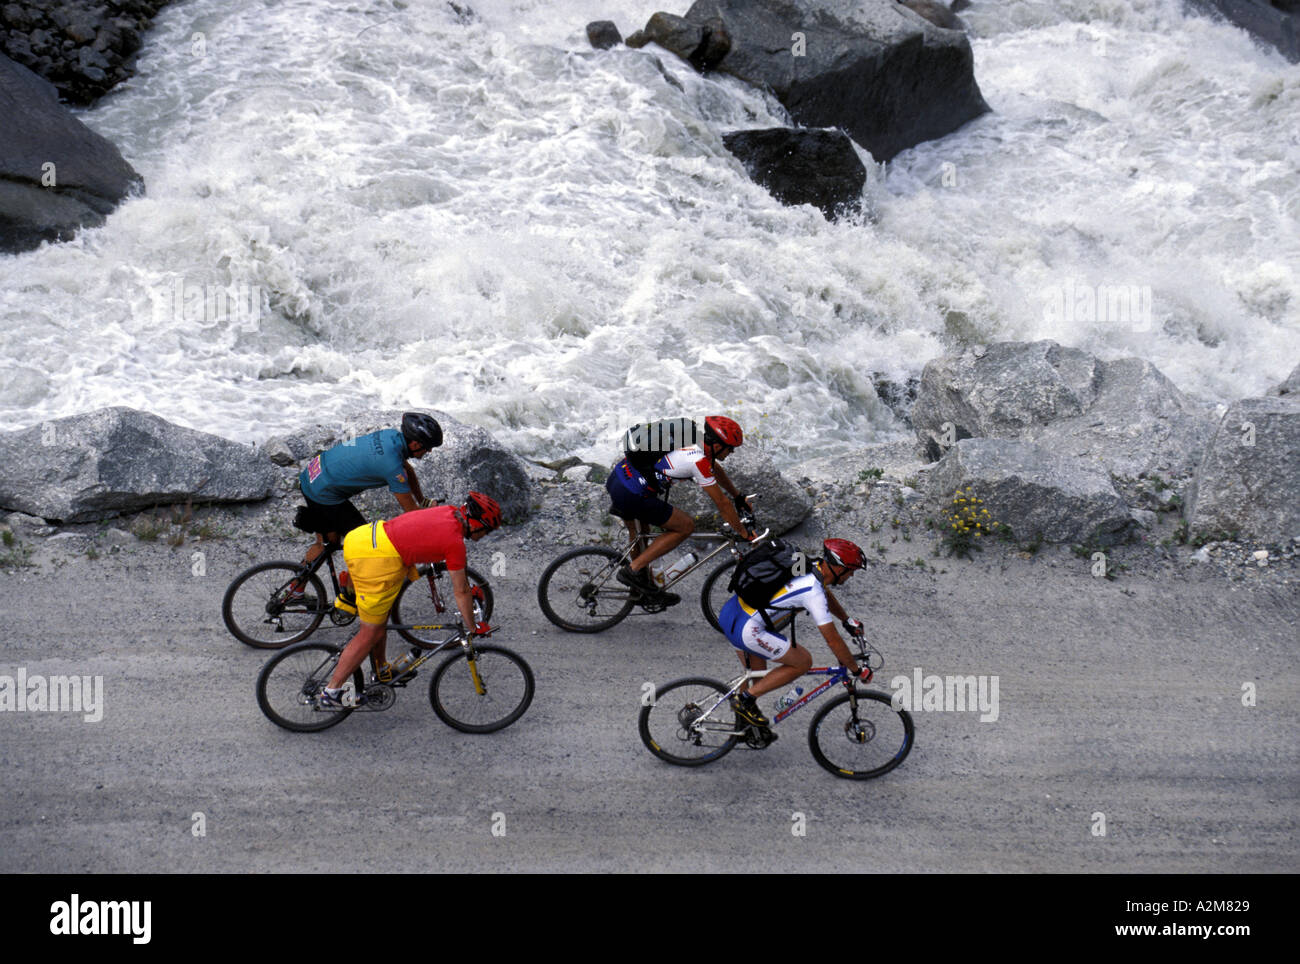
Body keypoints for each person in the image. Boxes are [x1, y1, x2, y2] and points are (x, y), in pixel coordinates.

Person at [316, 492, 503, 709]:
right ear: (476, 524)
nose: (485, 535)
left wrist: (468, 594)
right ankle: (332, 691)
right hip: (376, 559)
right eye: (487, 530)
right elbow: (460, 590)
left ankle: (381, 670)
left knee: (381, 617)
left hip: (365, 537)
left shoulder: (449, 511)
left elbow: (427, 538)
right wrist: (473, 627)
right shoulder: (455, 544)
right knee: (370, 632)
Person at [717, 538, 871, 735]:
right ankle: (743, 701)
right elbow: (832, 640)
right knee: (802, 662)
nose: (851, 575)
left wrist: (846, 619)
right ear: (839, 568)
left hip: (731, 613)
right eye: (850, 571)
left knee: (759, 680)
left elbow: (825, 592)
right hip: (747, 629)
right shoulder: (813, 593)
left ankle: (743, 730)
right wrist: (856, 670)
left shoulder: (808, 565)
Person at [290, 412, 443, 601]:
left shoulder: (391, 437)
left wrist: (423, 501)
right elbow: (411, 514)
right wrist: (433, 524)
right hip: (324, 491)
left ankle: (295, 591)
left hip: (313, 474)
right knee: (366, 544)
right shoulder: (391, 466)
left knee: (328, 542)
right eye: (428, 447)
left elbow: (407, 470)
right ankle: (349, 600)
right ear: (415, 444)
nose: (429, 452)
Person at [605, 415, 754, 599]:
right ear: (717, 446)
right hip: (632, 493)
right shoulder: (698, 461)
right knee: (685, 526)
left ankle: (640, 588)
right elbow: (722, 503)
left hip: (619, 478)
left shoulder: (693, 440)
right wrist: (743, 532)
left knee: (640, 534)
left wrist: (737, 496)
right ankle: (633, 571)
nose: (731, 452)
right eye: (730, 448)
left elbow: (714, 468)